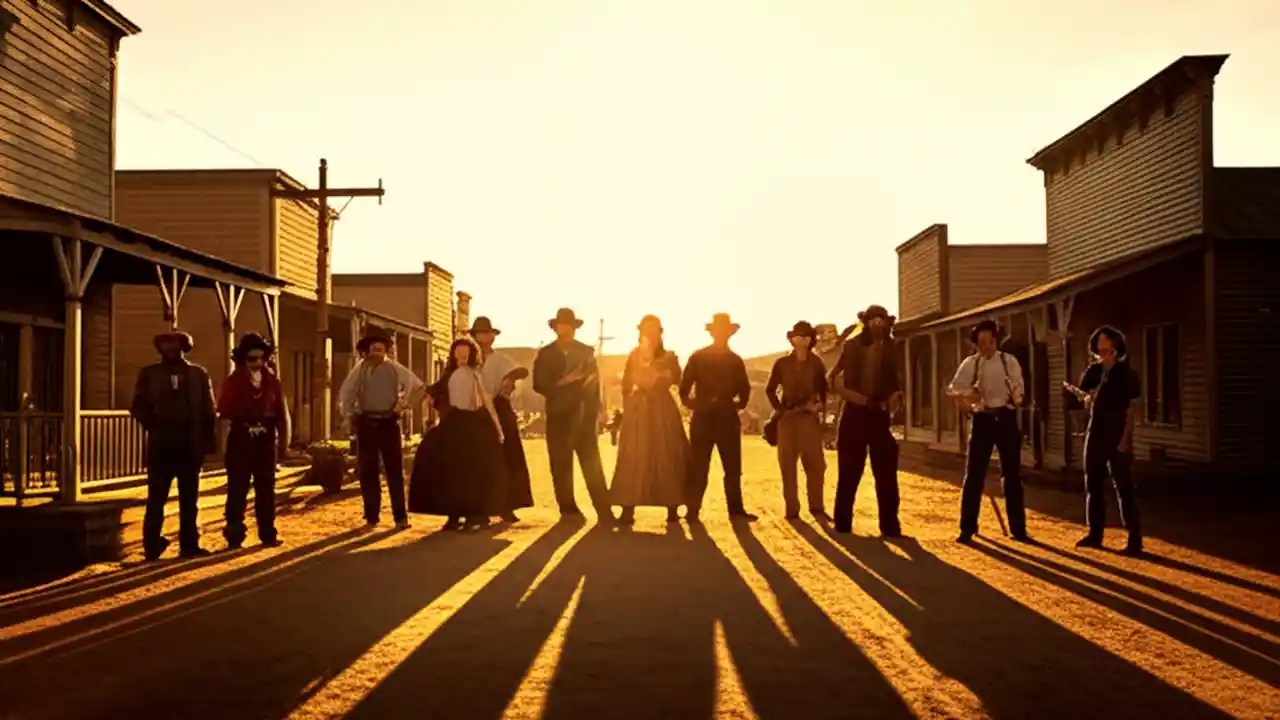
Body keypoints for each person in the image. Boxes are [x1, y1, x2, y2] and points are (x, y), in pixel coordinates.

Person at [130, 330, 218, 560]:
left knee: (189, 500)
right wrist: (154, 425)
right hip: (162, 446)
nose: (170, 350)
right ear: (159, 348)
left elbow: (209, 411)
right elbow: (137, 407)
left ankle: (189, 545)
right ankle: (151, 546)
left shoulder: (198, 374)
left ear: (183, 347)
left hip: (189, 445)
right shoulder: (149, 374)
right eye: (165, 346)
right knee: (156, 499)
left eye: (175, 346)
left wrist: (207, 444)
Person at [409, 338, 507, 530]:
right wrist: (416, 401)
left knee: (472, 472)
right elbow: (431, 392)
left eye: (465, 353)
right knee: (450, 471)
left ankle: (475, 515)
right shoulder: (448, 375)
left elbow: (487, 401)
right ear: (453, 354)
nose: (462, 356)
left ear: (472, 354)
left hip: (473, 425)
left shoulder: (475, 374)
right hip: (452, 425)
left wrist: (498, 428)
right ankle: (453, 515)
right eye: (458, 352)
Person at [947, 319, 1029, 544]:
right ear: (976, 344)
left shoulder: (1008, 361)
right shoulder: (971, 364)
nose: (987, 345)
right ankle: (967, 527)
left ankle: (1018, 529)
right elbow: (953, 390)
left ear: (996, 340)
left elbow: (1018, 389)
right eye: (981, 342)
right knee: (974, 475)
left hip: (1005, 418)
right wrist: (966, 399)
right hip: (982, 419)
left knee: (1012, 475)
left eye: (990, 340)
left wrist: (1016, 397)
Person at [338, 328, 425, 530]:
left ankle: (400, 517)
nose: (377, 350)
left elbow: (418, 387)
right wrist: (347, 416)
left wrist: (403, 406)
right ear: (367, 350)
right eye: (373, 347)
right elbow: (347, 393)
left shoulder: (395, 368)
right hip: (366, 422)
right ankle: (371, 515)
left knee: (394, 471)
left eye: (381, 346)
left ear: (386, 349)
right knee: (368, 471)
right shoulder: (360, 370)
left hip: (389, 422)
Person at [533, 308, 613, 522]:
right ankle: (568, 509)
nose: (565, 329)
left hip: (583, 414)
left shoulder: (585, 352)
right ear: (556, 327)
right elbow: (539, 384)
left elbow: (594, 383)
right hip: (558, 414)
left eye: (569, 325)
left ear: (574, 328)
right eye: (561, 325)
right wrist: (564, 381)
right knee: (560, 464)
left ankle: (604, 510)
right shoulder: (546, 353)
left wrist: (598, 409)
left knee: (591, 462)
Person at [1069, 325, 1143, 556]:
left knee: (1124, 486)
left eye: (1109, 350)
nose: (1105, 355)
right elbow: (1081, 397)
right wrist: (1086, 400)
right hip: (1096, 430)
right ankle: (1095, 534)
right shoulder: (1093, 371)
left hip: (1117, 430)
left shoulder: (1127, 374)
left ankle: (1134, 539)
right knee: (1093, 484)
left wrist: (1126, 438)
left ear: (1117, 349)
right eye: (1101, 350)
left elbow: (1133, 408)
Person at [610, 315, 691, 525]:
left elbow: (677, 379)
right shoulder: (634, 355)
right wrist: (628, 405)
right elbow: (627, 383)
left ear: (660, 333)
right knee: (634, 454)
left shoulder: (669, 356)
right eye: (646, 331)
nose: (650, 335)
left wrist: (661, 372)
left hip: (662, 407)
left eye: (654, 330)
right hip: (640, 408)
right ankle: (628, 507)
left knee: (667, 453)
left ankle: (672, 506)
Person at [832, 305, 903, 537]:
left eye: (881, 320)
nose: (877, 324)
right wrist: (859, 399)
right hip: (855, 414)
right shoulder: (851, 347)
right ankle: (843, 523)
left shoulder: (892, 348)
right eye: (873, 320)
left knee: (886, 474)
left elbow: (897, 381)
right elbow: (834, 381)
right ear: (866, 322)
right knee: (849, 472)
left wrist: (895, 396)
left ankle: (890, 526)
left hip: (880, 416)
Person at [680, 313, 757, 522]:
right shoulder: (711, 358)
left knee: (726, 467)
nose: (722, 335)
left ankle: (706, 511)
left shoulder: (723, 359)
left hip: (714, 415)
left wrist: (696, 404)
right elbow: (684, 388)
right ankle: (695, 510)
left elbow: (744, 390)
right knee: (702, 466)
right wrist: (697, 405)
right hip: (712, 416)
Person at [217, 333, 290, 549]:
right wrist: (224, 447)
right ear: (243, 360)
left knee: (266, 487)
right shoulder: (234, 380)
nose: (257, 363)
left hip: (266, 438)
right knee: (238, 488)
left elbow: (280, 412)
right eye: (252, 359)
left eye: (261, 358)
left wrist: (284, 443)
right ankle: (234, 534)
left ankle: (268, 533)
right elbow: (225, 412)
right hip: (241, 437)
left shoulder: (272, 380)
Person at [469, 316, 533, 523]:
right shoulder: (468, 360)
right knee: (478, 461)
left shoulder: (501, 360)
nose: (484, 337)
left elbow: (520, 372)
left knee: (507, 456)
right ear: (475, 336)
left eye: (488, 333)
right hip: (475, 410)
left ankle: (508, 505)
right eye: (480, 333)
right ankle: (479, 508)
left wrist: (510, 380)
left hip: (499, 407)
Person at [765, 321, 829, 520]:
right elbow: (770, 389)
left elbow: (823, 389)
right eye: (798, 335)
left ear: (811, 339)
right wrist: (780, 411)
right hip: (787, 419)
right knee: (788, 465)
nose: (802, 339)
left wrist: (819, 406)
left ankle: (817, 506)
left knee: (816, 465)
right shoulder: (781, 364)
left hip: (809, 418)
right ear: (791, 339)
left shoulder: (817, 363)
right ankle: (791, 509)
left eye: (806, 335)